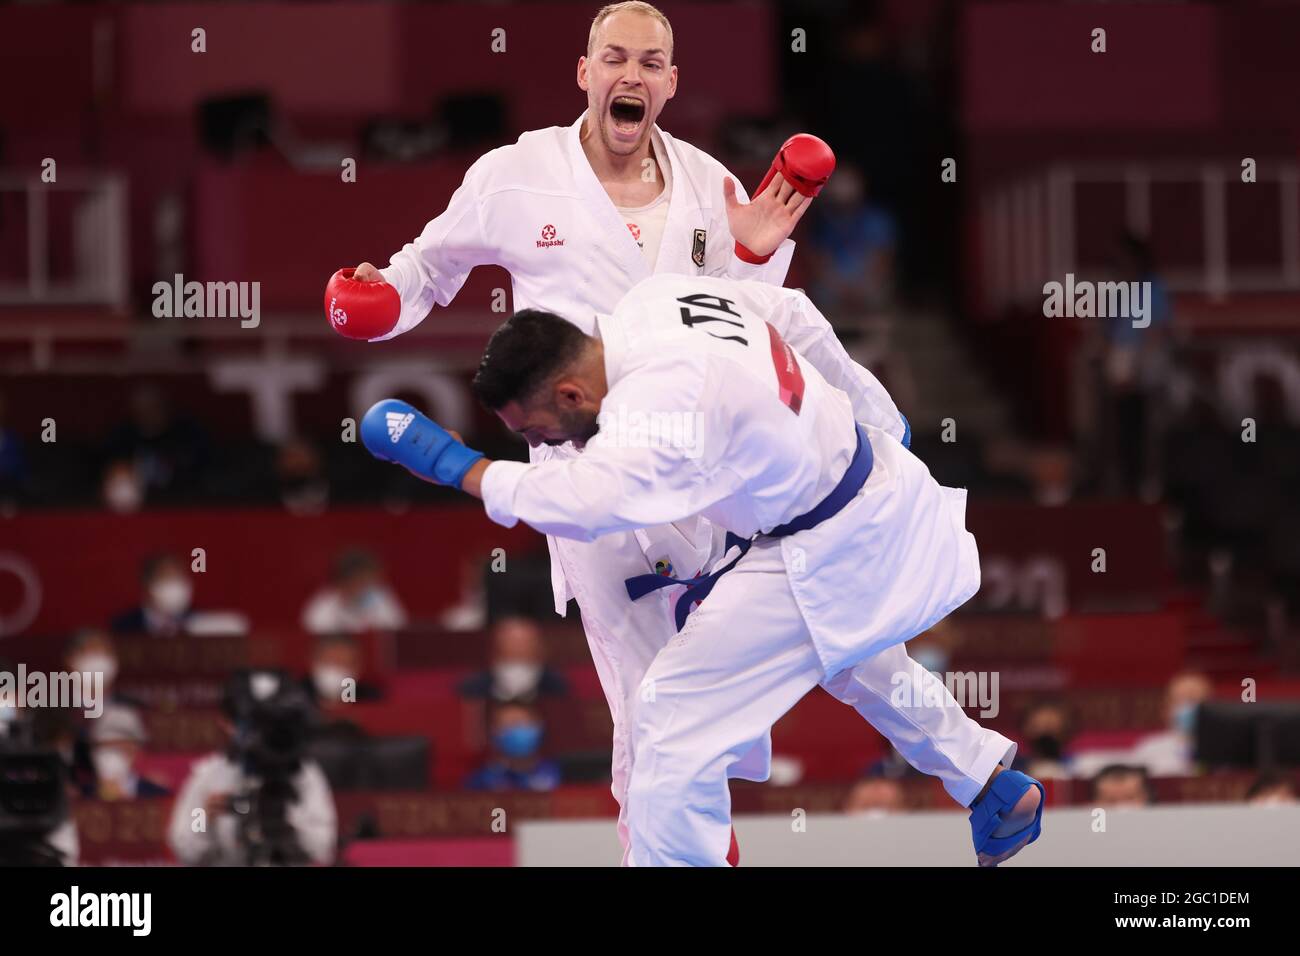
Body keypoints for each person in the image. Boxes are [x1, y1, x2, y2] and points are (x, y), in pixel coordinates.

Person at [329, 2, 1012, 865]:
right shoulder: (515, 174)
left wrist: (764, 259)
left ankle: (983, 771)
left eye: (651, 64)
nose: (631, 76)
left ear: (671, 84)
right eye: (614, 59)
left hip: (711, 467)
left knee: (828, 628)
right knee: (651, 707)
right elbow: (429, 267)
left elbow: (755, 315)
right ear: (584, 72)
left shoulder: (708, 184)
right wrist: (380, 299)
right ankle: (731, 845)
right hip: (595, 469)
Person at [360, 273, 1041, 866]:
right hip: (870, 485)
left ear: (572, 394)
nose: (543, 446)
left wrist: (454, 463)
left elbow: (584, 505)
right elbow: (796, 312)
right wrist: (879, 413)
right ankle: (989, 782)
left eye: (537, 433)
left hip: (828, 544)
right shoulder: (659, 299)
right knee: (844, 653)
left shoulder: (650, 410)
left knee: (669, 714)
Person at [458, 615, 570, 703]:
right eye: (511, 645)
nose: (518, 650)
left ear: (539, 650)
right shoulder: (473, 688)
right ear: (496, 650)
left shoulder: (556, 687)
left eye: (524, 645)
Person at [300, 549, 407, 635]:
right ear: (342, 583)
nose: (369, 588)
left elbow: (398, 635)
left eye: (373, 581)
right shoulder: (322, 608)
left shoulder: (382, 598)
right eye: (362, 582)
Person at [464, 701, 563, 792]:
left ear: (538, 725)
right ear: (494, 732)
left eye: (521, 723)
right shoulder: (483, 781)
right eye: (508, 725)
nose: (516, 730)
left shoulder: (559, 773)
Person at [110, 553, 197, 637]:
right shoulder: (123, 628)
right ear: (146, 583)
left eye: (179, 578)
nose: (175, 586)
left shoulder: (198, 623)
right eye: (166, 578)